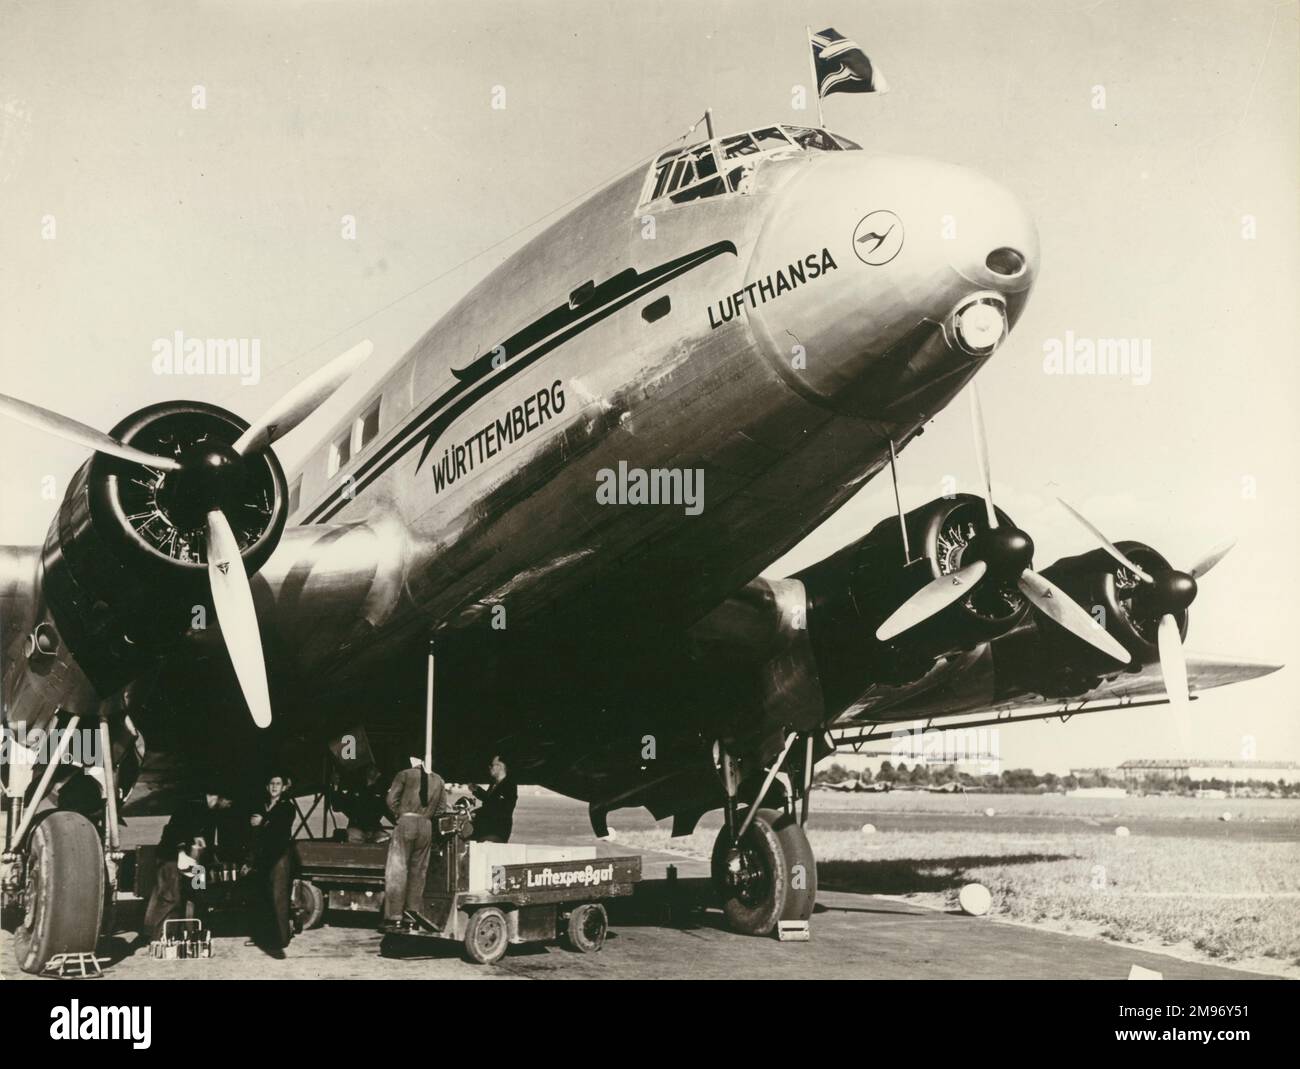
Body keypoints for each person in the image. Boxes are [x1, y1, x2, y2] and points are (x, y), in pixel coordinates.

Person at [140, 788, 233, 944]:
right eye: (228, 802)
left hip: (195, 863)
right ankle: (159, 940)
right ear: (217, 797)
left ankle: (185, 935)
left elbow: (201, 840)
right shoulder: (191, 805)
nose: (229, 806)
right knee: (170, 898)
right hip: (173, 859)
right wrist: (181, 852)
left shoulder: (209, 812)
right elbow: (174, 832)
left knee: (197, 894)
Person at [381, 756, 445, 932]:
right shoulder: (438, 780)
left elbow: (390, 800)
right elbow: (441, 809)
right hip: (426, 826)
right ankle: (412, 915)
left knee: (398, 869)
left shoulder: (404, 775)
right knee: (419, 871)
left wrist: (399, 815)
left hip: (406, 822)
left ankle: (395, 917)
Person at [243, 773, 296, 959]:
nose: (274, 786)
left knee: (278, 897)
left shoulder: (287, 807)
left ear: (284, 787)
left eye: (278, 784)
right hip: (263, 856)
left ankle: (279, 939)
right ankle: (262, 937)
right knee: (262, 897)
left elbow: (280, 829)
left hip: (279, 856)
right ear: (267, 787)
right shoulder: (262, 806)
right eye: (271, 783)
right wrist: (250, 861)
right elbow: (256, 836)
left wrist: (262, 822)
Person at [470, 755, 518, 843]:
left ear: (500, 767)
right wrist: (477, 791)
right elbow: (491, 801)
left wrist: (475, 813)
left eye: (492, 765)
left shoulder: (509, 785)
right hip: (487, 830)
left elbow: (498, 807)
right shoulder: (494, 784)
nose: (490, 767)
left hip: (495, 832)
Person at [337, 765, 389, 844]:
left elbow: (386, 809)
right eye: (372, 769)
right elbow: (341, 806)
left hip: (374, 828)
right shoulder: (356, 788)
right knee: (356, 838)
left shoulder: (381, 791)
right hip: (356, 827)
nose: (375, 772)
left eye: (376, 770)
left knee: (386, 839)